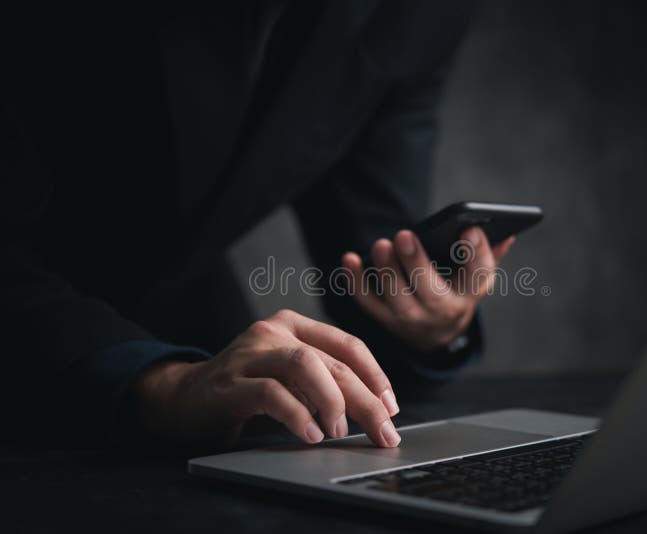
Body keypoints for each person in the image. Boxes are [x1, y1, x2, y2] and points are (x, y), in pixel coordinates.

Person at [0, 1, 512, 450]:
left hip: (191, 342)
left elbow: (372, 238)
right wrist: (160, 385)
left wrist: (428, 321)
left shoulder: (426, 9)